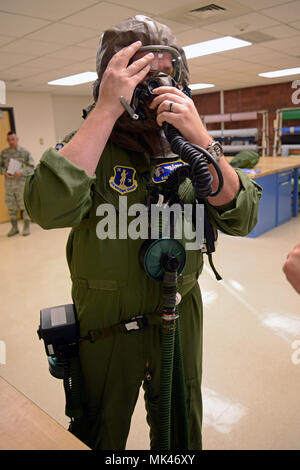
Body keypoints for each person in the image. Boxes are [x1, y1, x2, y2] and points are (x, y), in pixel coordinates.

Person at [24, 16, 262, 450]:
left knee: (181, 427)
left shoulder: (190, 146)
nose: (149, 87)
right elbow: (47, 207)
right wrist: (105, 110)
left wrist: (198, 137)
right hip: (106, 324)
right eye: (135, 74)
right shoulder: (88, 146)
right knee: (97, 428)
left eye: (161, 74)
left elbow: (242, 216)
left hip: (180, 311)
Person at [0, 131, 34, 236]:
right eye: (9, 140)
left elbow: (32, 167)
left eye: (13, 139)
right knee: (11, 207)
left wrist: (21, 172)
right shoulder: (4, 153)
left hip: (21, 185)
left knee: (24, 206)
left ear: (17, 139)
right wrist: (4, 172)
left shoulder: (24, 152)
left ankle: (26, 227)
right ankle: (14, 228)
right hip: (9, 185)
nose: (11, 142)